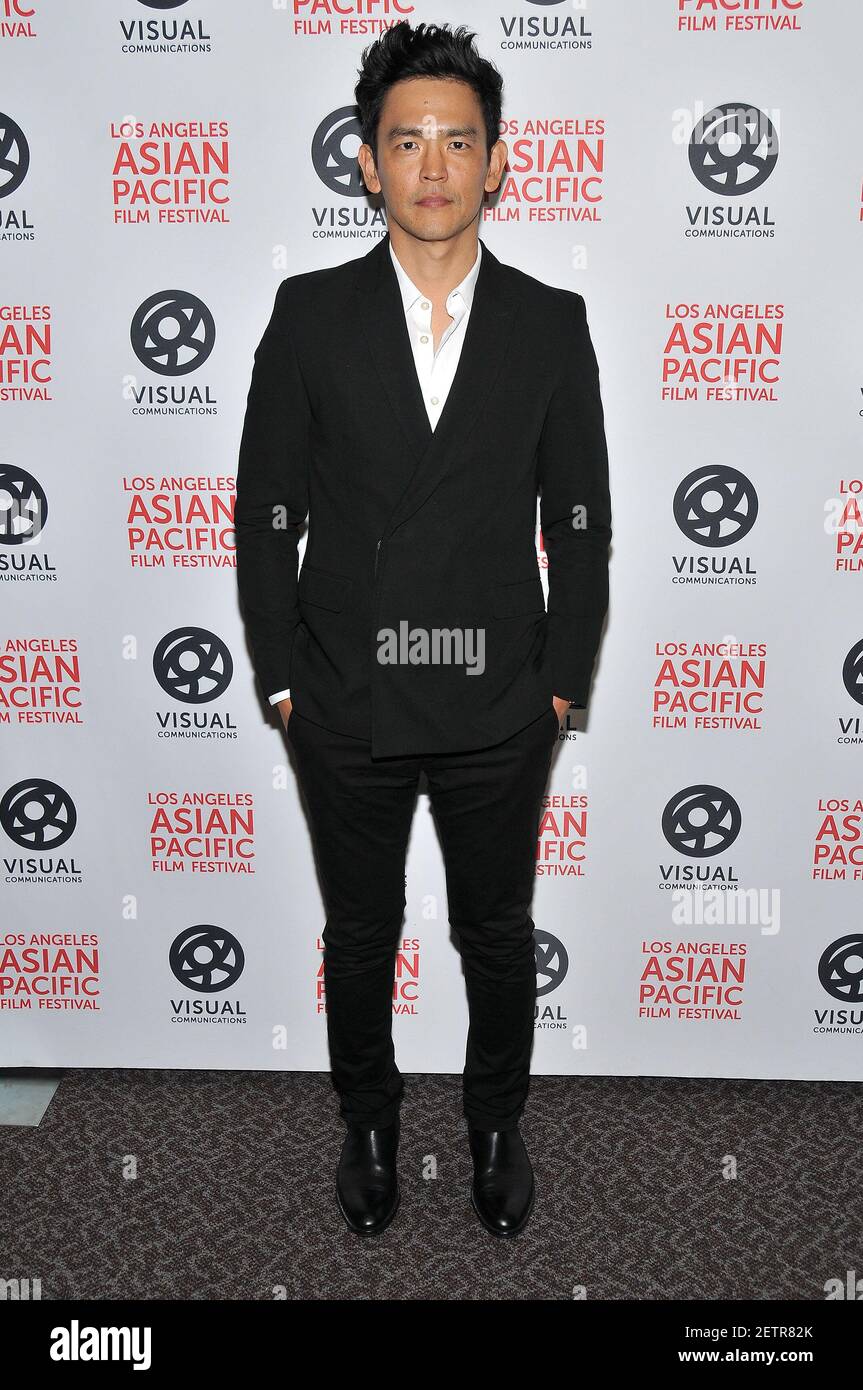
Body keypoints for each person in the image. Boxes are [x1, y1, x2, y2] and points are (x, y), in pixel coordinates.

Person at [234, 20, 611, 1238]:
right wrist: (282, 679)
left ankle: (496, 1122)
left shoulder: (550, 323)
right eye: (407, 142)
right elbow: (264, 516)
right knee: (359, 930)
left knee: (494, 932)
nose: (433, 166)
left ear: (496, 161)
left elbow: (581, 525)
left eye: (458, 141)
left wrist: (559, 686)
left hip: (500, 700)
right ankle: (370, 1120)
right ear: (366, 161)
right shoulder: (308, 313)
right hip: (344, 697)